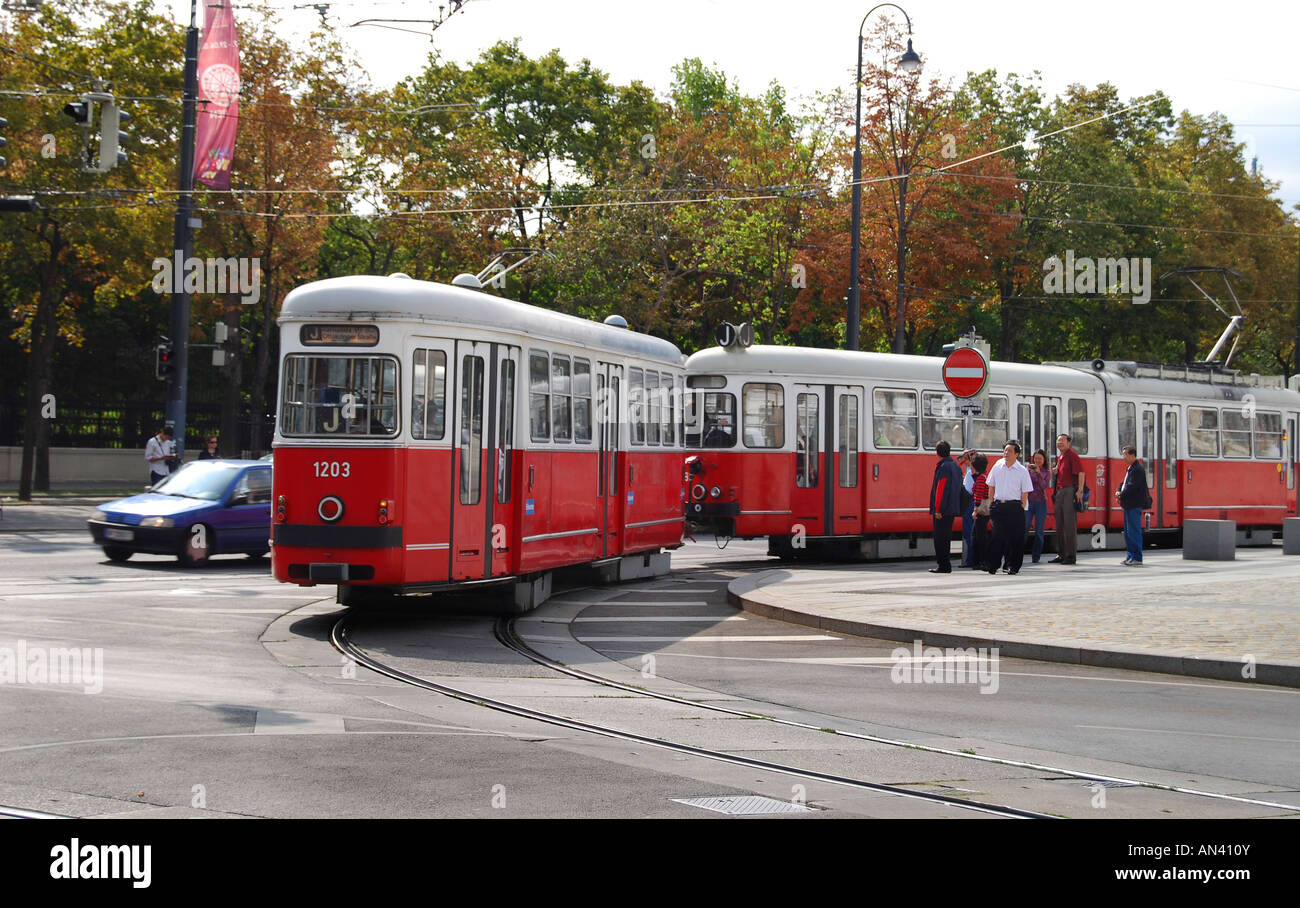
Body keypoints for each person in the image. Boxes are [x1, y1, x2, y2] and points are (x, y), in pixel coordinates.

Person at [986, 441, 1034, 574]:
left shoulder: (1022, 471)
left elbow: (1025, 492)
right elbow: (991, 485)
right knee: (997, 536)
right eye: (1005, 450)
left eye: (1010, 451)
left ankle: (1013, 566)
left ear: (1017, 454)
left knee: (1015, 538)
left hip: (1015, 507)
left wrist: (1022, 506)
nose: (1006, 453)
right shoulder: (997, 466)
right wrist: (991, 503)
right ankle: (993, 565)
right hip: (998, 505)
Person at [928, 440, 963, 573]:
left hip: (943, 509)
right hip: (952, 507)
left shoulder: (943, 467)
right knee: (946, 537)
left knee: (940, 538)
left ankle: (943, 565)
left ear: (937, 453)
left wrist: (938, 509)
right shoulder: (955, 466)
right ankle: (945, 564)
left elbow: (941, 490)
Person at [1051, 432, 1085, 564]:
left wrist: (1080, 491)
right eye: (1058, 441)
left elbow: (1081, 473)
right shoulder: (1061, 457)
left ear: (1068, 443)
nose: (1059, 443)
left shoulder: (1072, 455)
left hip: (1069, 490)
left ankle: (1071, 556)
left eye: (1062, 441)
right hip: (1060, 491)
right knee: (1059, 524)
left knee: (1069, 525)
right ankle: (1061, 554)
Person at [1117, 444, 1149, 565]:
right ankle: (1130, 556)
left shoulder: (1137, 469)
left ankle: (1137, 557)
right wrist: (1118, 490)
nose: (1123, 457)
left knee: (1134, 532)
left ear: (1132, 455)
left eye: (1125, 455)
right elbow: (1124, 483)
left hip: (1134, 504)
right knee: (1128, 532)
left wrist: (1120, 495)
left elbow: (1131, 486)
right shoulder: (1130, 468)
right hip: (1128, 504)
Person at [1024, 448, 1052, 564]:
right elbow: (1024, 483)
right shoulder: (1028, 470)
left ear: (1044, 460)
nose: (1037, 461)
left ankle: (1036, 556)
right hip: (1029, 502)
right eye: (1036, 458)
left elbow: (1043, 486)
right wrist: (1026, 471)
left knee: (1039, 531)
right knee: (1024, 529)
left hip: (1041, 503)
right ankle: (1018, 553)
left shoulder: (1047, 472)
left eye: (1040, 458)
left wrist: (1039, 473)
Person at [968, 453, 991, 570]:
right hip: (985, 511)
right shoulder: (985, 476)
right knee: (977, 536)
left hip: (981, 510)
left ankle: (983, 561)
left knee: (979, 537)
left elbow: (978, 495)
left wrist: (975, 510)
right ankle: (979, 561)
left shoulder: (981, 479)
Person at [959, 449, 976, 566]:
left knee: (968, 532)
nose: (963, 461)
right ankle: (970, 559)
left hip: (970, 503)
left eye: (965, 459)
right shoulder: (971, 471)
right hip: (971, 503)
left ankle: (970, 559)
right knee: (969, 532)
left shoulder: (971, 472)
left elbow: (969, 490)